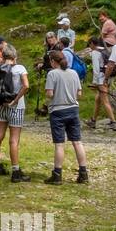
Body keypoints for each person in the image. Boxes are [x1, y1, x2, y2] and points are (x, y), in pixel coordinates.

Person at [44, 50, 89, 183]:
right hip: (73, 109)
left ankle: (57, 175)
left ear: (53, 61)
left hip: (58, 111)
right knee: (77, 142)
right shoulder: (74, 73)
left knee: (59, 144)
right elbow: (79, 94)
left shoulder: (52, 74)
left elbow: (50, 94)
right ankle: (83, 173)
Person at [0, 44, 30, 183]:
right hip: (15, 107)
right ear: (14, 57)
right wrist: (16, 100)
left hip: (0, 106)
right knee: (14, 139)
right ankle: (16, 171)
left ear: (3, 56)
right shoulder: (20, 68)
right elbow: (26, 85)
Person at [84, 36, 116, 130]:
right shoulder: (105, 50)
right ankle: (93, 120)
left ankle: (113, 122)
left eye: (89, 45)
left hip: (101, 79)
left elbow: (96, 69)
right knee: (97, 100)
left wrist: (95, 82)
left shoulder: (95, 52)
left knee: (105, 100)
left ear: (92, 44)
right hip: (108, 77)